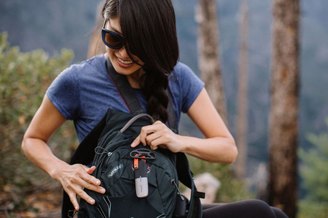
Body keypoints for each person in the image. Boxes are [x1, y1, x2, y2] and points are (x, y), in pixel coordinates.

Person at [21, 0, 288, 217]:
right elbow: (33, 140)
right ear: (103, 27)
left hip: (163, 208)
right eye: (113, 38)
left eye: (135, 45)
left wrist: (178, 141)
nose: (123, 53)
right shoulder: (77, 80)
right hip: (108, 210)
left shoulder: (178, 77)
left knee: (268, 213)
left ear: (155, 43)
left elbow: (227, 149)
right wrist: (61, 170)